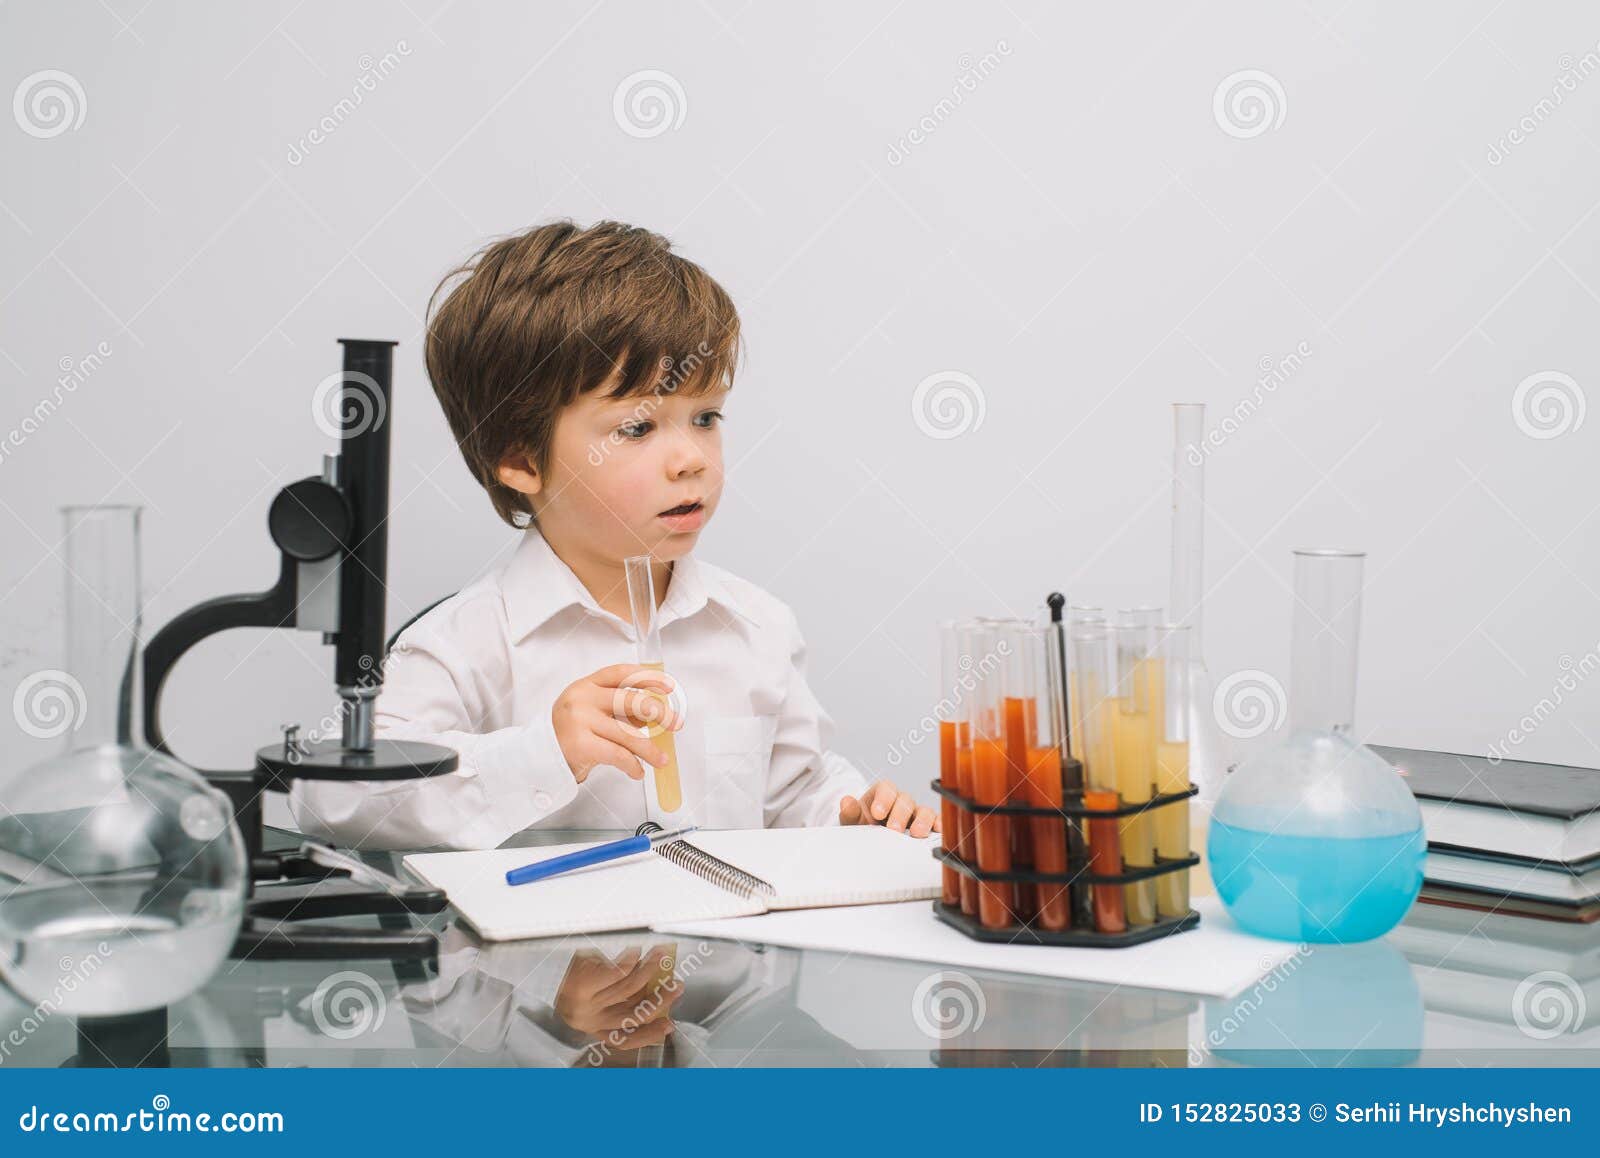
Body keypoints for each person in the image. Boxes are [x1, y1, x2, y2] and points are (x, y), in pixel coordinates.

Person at [290, 220, 940, 850]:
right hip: (547, 933)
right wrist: (543, 754)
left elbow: (797, 792)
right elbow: (333, 798)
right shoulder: (464, 646)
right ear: (520, 459)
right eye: (637, 428)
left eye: (706, 418)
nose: (691, 459)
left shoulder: (758, 629)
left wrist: (851, 819)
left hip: (720, 929)